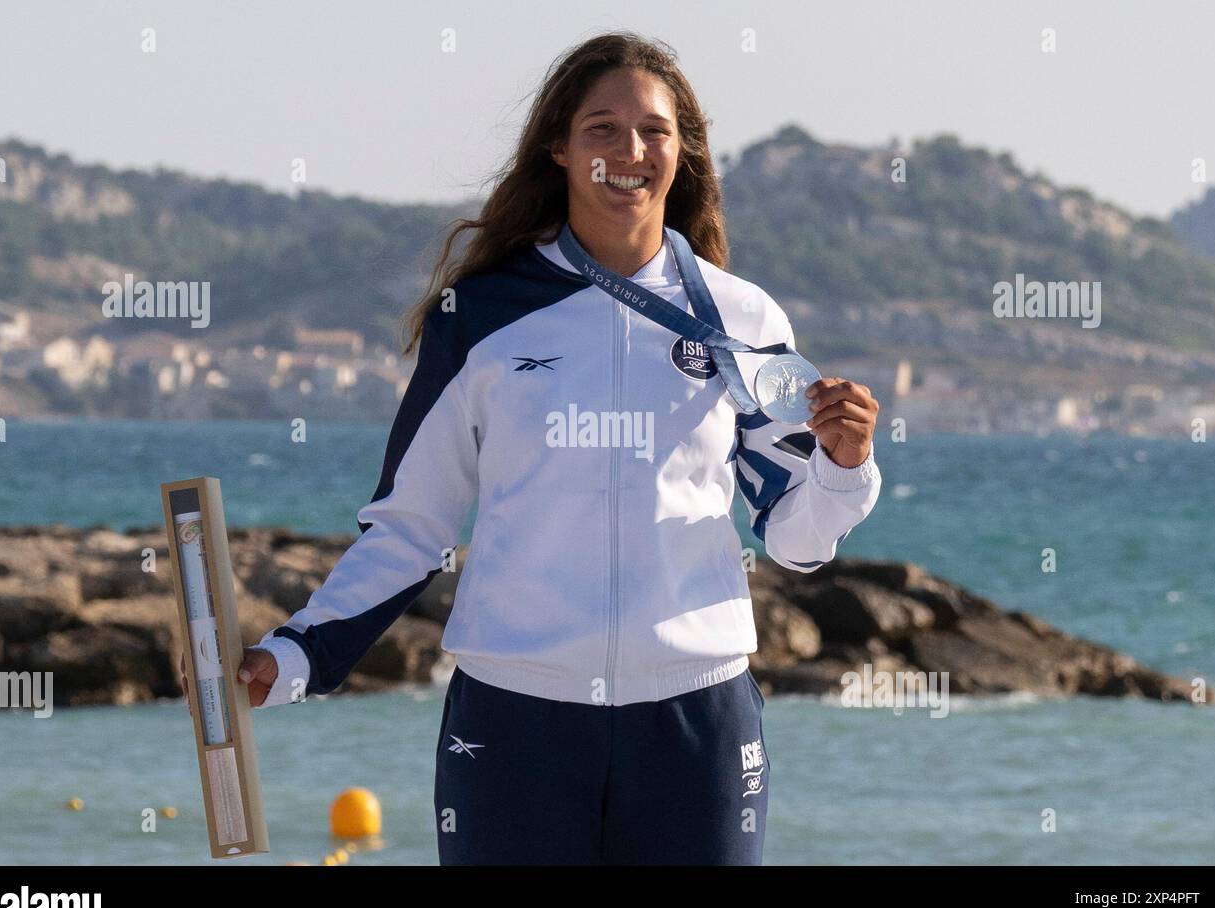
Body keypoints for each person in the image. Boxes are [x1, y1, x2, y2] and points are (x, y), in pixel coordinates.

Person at [184, 31, 882, 865]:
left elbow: (796, 541)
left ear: (682, 152)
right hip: (516, 726)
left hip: (696, 725)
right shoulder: (480, 317)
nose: (630, 150)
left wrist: (844, 468)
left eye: (654, 131)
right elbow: (411, 526)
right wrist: (297, 655)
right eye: (602, 129)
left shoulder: (744, 322)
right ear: (558, 147)